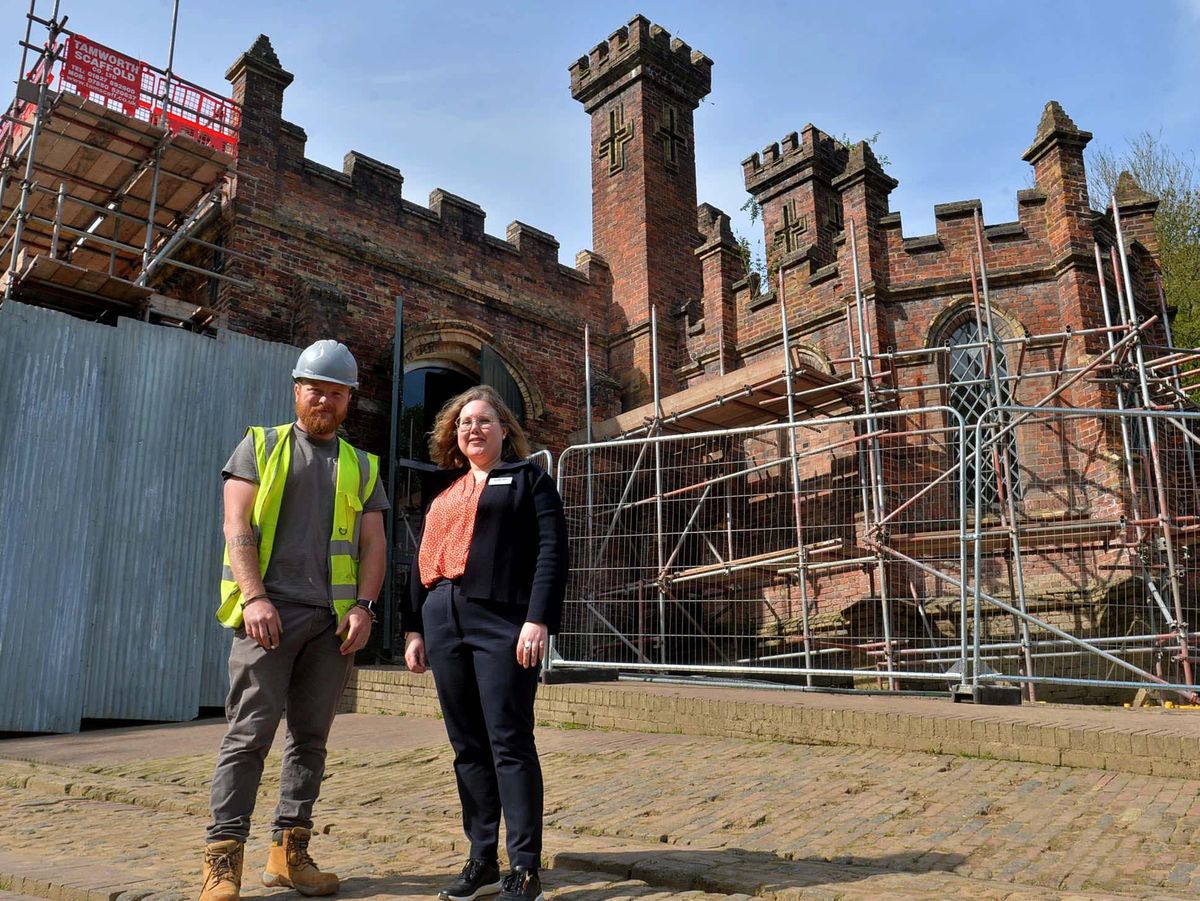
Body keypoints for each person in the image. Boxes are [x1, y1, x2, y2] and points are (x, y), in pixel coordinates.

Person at [200, 339, 389, 901]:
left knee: (311, 739)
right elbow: (237, 526)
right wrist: (255, 597)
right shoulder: (260, 445)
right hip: (268, 617)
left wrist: (364, 607)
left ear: (349, 399)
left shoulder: (362, 464)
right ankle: (222, 858)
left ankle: (289, 851)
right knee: (249, 734)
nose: (325, 401)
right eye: (315, 390)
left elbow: (373, 545)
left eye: (336, 392)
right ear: (296, 391)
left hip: (331, 626)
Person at [403, 385, 568, 901]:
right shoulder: (445, 493)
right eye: (464, 423)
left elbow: (552, 554)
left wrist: (538, 619)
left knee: (509, 740)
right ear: (456, 435)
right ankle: (482, 859)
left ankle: (524, 867)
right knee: (466, 745)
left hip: (502, 621)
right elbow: (421, 561)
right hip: (442, 616)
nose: (473, 429)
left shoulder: (529, 482)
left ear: (504, 430)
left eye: (483, 421)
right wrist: (413, 628)